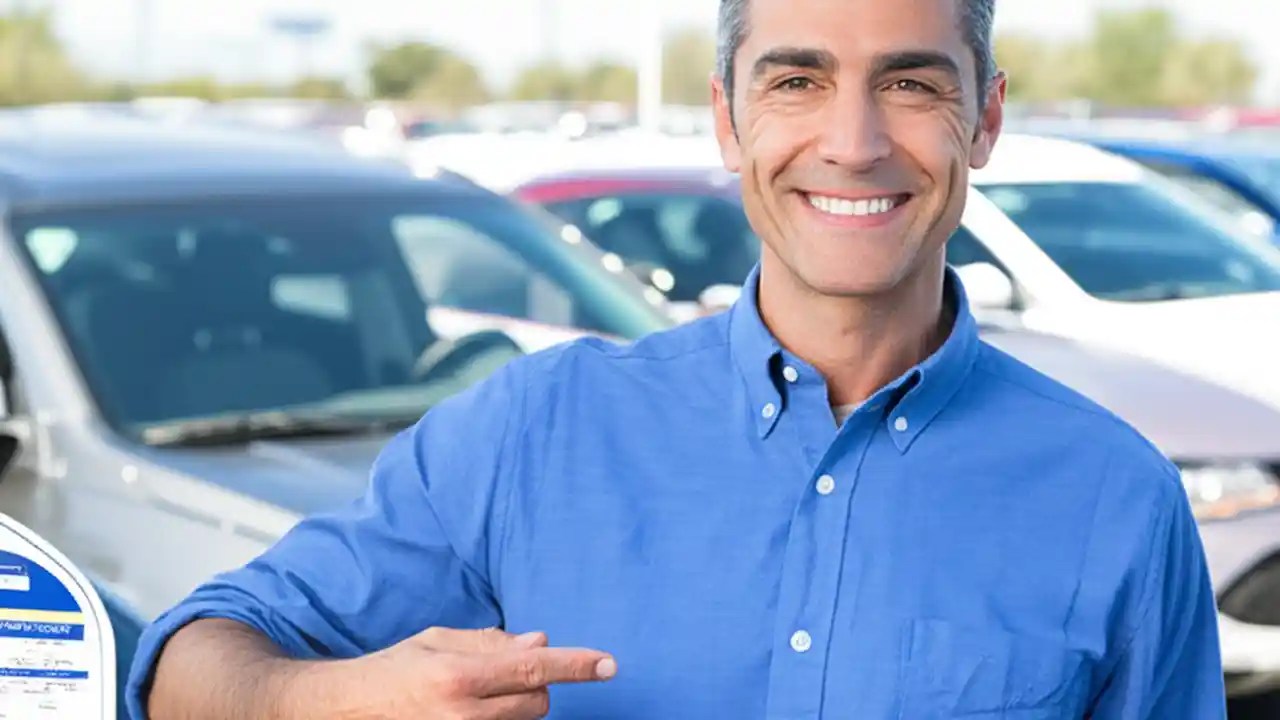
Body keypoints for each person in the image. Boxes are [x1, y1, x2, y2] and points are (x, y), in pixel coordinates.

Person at [128, 0, 1227, 717]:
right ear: (725, 118)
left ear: (982, 120)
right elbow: (187, 665)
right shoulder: (532, 433)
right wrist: (324, 702)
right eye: (794, 80)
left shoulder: (1112, 498)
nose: (852, 141)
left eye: (909, 83)